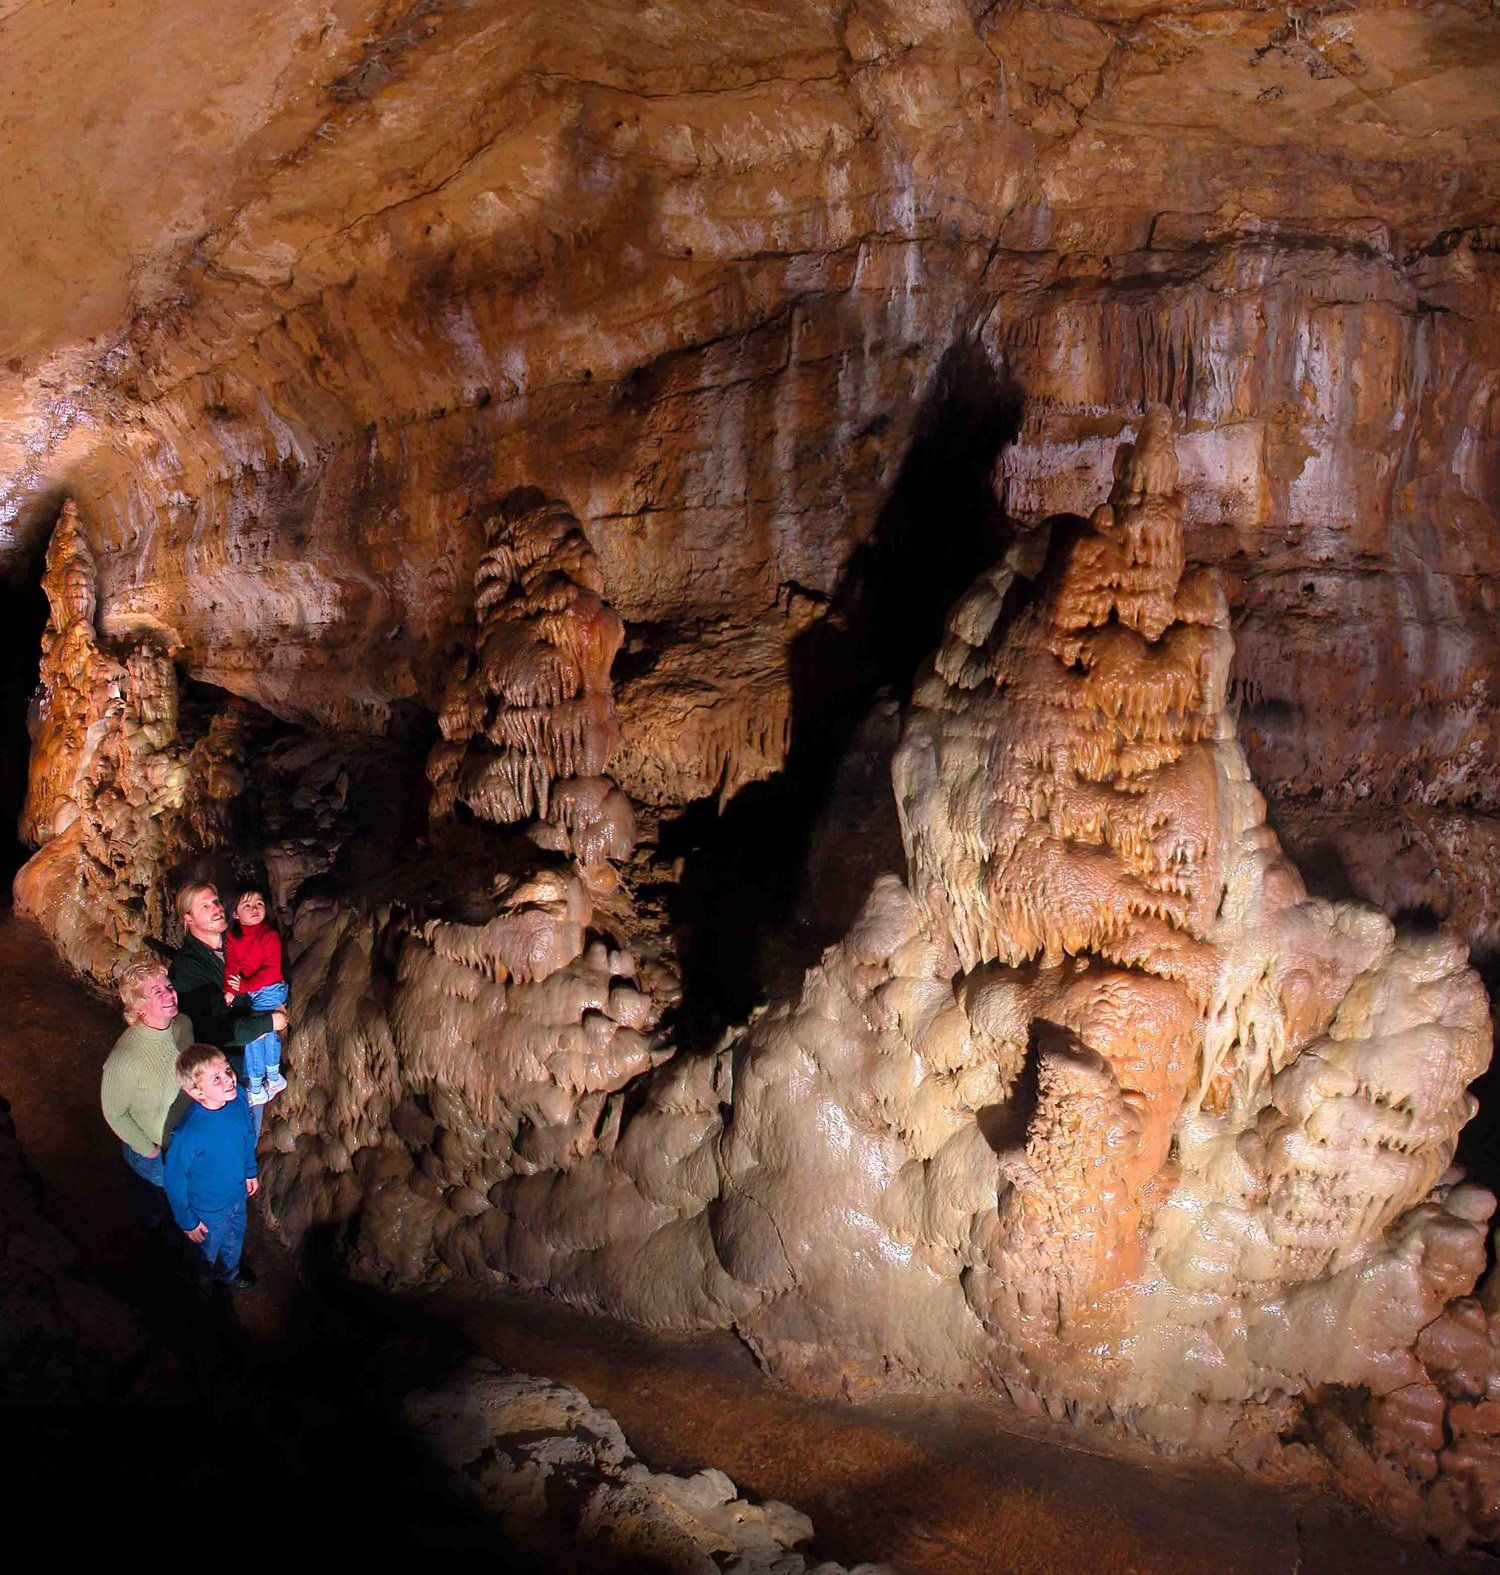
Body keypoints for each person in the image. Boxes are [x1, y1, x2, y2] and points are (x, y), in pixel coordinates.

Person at [100, 959, 194, 1239]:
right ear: (139, 1008)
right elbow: (114, 1112)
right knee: (155, 1209)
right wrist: (148, 1149)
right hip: (151, 1151)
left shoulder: (183, 1024)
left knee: (181, 1202)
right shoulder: (125, 1058)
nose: (169, 993)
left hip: (182, 1139)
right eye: (157, 992)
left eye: (168, 986)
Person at [163, 1043, 258, 1295]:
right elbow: (174, 1180)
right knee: (204, 1254)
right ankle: (200, 1289)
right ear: (196, 1092)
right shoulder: (188, 1134)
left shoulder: (237, 1097)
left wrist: (250, 1170)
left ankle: (229, 1274)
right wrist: (186, 1220)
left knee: (234, 1241)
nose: (228, 1079)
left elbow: (247, 1135)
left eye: (227, 1070)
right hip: (207, 1212)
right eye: (217, 1078)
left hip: (237, 1197)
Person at [224, 887, 288, 1106]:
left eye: (259, 904)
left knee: (255, 1034)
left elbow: (271, 970)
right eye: (247, 905)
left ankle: (257, 1085)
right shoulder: (233, 937)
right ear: (235, 914)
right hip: (254, 990)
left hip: (271, 988)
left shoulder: (269, 936)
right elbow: (232, 965)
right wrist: (230, 989)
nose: (255, 909)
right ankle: (272, 1077)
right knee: (265, 1033)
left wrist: (244, 986)